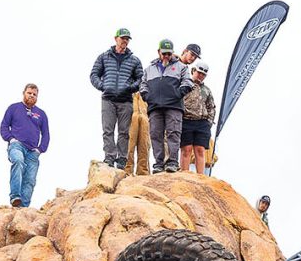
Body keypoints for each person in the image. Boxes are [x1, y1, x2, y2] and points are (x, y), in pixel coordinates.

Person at [89, 28, 143, 169]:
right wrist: (103, 86)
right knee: (108, 130)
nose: (125, 41)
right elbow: (94, 74)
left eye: (127, 39)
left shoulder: (134, 60)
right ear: (116, 39)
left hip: (126, 100)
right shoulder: (104, 57)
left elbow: (140, 79)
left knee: (124, 132)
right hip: (108, 99)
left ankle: (122, 159)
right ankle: (109, 157)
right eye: (122, 38)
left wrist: (130, 88)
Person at [141, 40, 192, 173]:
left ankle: (172, 163)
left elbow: (187, 83)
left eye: (169, 53)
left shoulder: (181, 67)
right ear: (159, 52)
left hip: (174, 106)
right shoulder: (149, 69)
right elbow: (143, 85)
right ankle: (158, 164)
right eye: (164, 53)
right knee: (155, 135)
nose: (166, 56)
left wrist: (177, 93)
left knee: (173, 134)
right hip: (154, 107)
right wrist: (147, 96)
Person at [0, 84, 49, 208]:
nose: (31, 96)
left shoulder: (41, 114)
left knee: (30, 179)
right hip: (17, 146)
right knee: (18, 161)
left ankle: (22, 208)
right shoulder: (13, 108)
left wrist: (40, 149)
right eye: (29, 93)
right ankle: (15, 196)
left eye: (34, 94)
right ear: (24, 93)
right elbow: (4, 126)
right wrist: (11, 139)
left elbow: (46, 134)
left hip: (33, 151)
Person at [180, 61, 216, 173]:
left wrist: (209, 122)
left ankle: (200, 176)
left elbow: (211, 107)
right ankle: (184, 174)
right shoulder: (184, 86)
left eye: (203, 74)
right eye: (199, 72)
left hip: (202, 123)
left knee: (200, 150)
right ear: (193, 71)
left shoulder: (207, 90)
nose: (200, 76)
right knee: (186, 149)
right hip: (186, 121)